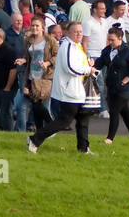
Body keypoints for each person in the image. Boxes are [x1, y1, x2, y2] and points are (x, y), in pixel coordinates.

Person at [28, 21, 97, 155]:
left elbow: (78, 63)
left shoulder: (76, 46)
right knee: (63, 121)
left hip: (78, 90)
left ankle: (83, 148)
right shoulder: (67, 46)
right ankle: (34, 139)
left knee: (83, 120)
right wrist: (88, 69)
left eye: (81, 31)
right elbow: (70, 67)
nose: (79, 34)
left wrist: (88, 64)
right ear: (68, 33)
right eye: (76, 31)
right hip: (69, 91)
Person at [97, 25, 129, 144]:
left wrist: (126, 80)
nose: (110, 42)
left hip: (125, 88)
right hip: (112, 86)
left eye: (113, 40)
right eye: (108, 39)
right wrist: (91, 68)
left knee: (114, 111)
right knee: (125, 113)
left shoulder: (128, 51)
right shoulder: (107, 50)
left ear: (120, 38)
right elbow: (100, 63)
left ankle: (109, 138)